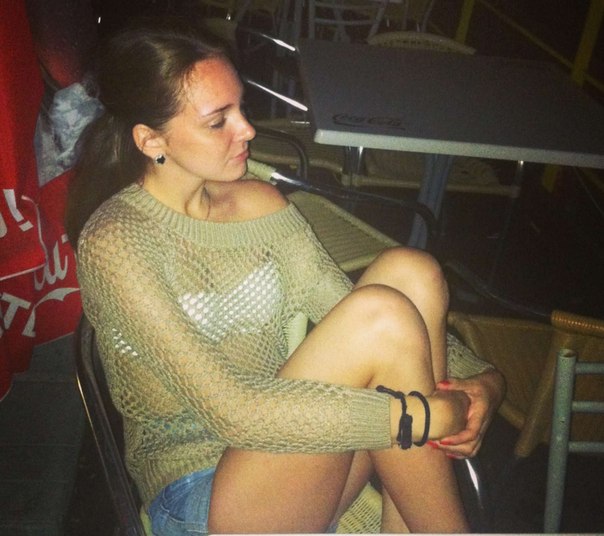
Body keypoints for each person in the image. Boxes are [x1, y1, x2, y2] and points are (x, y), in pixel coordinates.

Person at [67, 17, 505, 535]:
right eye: (218, 121)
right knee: (381, 316)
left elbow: (347, 304)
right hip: (204, 496)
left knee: (410, 272)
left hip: (304, 456)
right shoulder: (117, 241)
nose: (247, 130)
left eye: (241, 108)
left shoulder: (259, 205)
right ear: (150, 139)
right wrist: (421, 418)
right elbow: (234, 413)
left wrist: (484, 381)